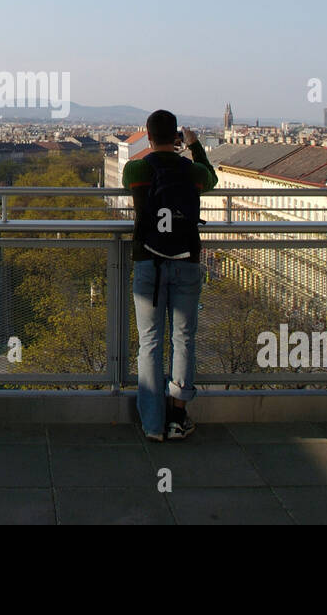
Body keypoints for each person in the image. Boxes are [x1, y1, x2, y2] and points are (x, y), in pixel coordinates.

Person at [124, 109, 216, 442]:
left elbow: (129, 185)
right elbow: (211, 178)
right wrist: (194, 146)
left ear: (148, 136)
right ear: (176, 136)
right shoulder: (191, 171)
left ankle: (152, 424)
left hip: (148, 261)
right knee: (184, 339)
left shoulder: (136, 168)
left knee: (149, 343)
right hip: (186, 259)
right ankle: (178, 417)